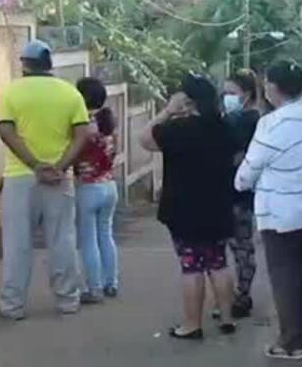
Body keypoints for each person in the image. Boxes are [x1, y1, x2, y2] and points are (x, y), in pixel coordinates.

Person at [234, 60, 302, 359]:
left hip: (279, 211)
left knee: (284, 274)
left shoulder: (273, 124)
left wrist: (240, 182)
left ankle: (291, 342)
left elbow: (250, 168)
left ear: (273, 88)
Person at [0, 39, 90, 318]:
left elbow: (6, 132)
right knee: (62, 240)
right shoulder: (70, 94)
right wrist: (60, 166)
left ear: (24, 64)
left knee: (17, 244)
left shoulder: (11, 92)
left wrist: (35, 165)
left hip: (19, 178)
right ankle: (67, 300)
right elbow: (81, 135)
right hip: (60, 179)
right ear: (49, 64)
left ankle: (12, 305)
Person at [139, 73, 237, 339]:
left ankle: (192, 324)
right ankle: (227, 318)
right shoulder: (224, 127)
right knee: (218, 263)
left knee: (192, 266)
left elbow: (145, 139)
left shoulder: (177, 129)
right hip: (218, 206)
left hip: (184, 210)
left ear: (186, 100)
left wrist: (167, 111)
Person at [72, 77, 120, 302]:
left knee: (88, 240)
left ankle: (95, 288)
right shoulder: (109, 122)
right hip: (109, 184)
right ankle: (112, 282)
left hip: (88, 187)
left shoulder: (83, 126)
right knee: (106, 235)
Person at [222, 69, 263, 319]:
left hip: (239, 193)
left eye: (231, 92)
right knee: (239, 247)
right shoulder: (243, 118)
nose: (227, 98)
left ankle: (241, 295)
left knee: (241, 247)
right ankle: (236, 294)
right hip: (237, 193)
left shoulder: (248, 121)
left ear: (246, 94)